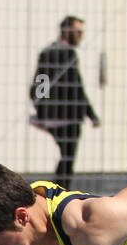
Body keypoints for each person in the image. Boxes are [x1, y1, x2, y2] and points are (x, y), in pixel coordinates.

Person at [30, 16, 99, 190]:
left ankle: (56, 190)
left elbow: (40, 82)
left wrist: (42, 110)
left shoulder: (48, 52)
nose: (81, 36)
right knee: (68, 157)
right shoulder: (68, 54)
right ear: (67, 31)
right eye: (78, 32)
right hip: (68, 116)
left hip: (54, 115)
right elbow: (77, 88)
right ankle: (58, 191)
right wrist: (91, 114)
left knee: (66, 156)